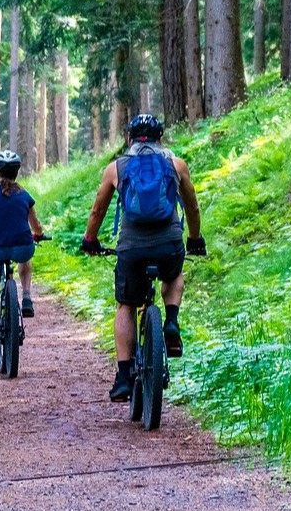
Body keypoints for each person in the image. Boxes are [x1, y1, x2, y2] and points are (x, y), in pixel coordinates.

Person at [80, 114, 205, 402]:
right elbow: (192, 206)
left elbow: (98, 210)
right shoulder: (176, 164)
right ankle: (171, 321)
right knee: (173, 274)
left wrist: (90, 240)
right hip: (168, 243)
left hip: (132, 248)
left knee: (126, 304)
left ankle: (124, 376)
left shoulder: (116, 168)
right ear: (161, 137)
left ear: (129, 139)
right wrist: (195, 238)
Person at [0, 150, 47, 361]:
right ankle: (26, 297)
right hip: (21, 247)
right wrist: (39, 234)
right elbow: (35, 224)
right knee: (26, 254)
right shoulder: (24, 195)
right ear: (17, 172)